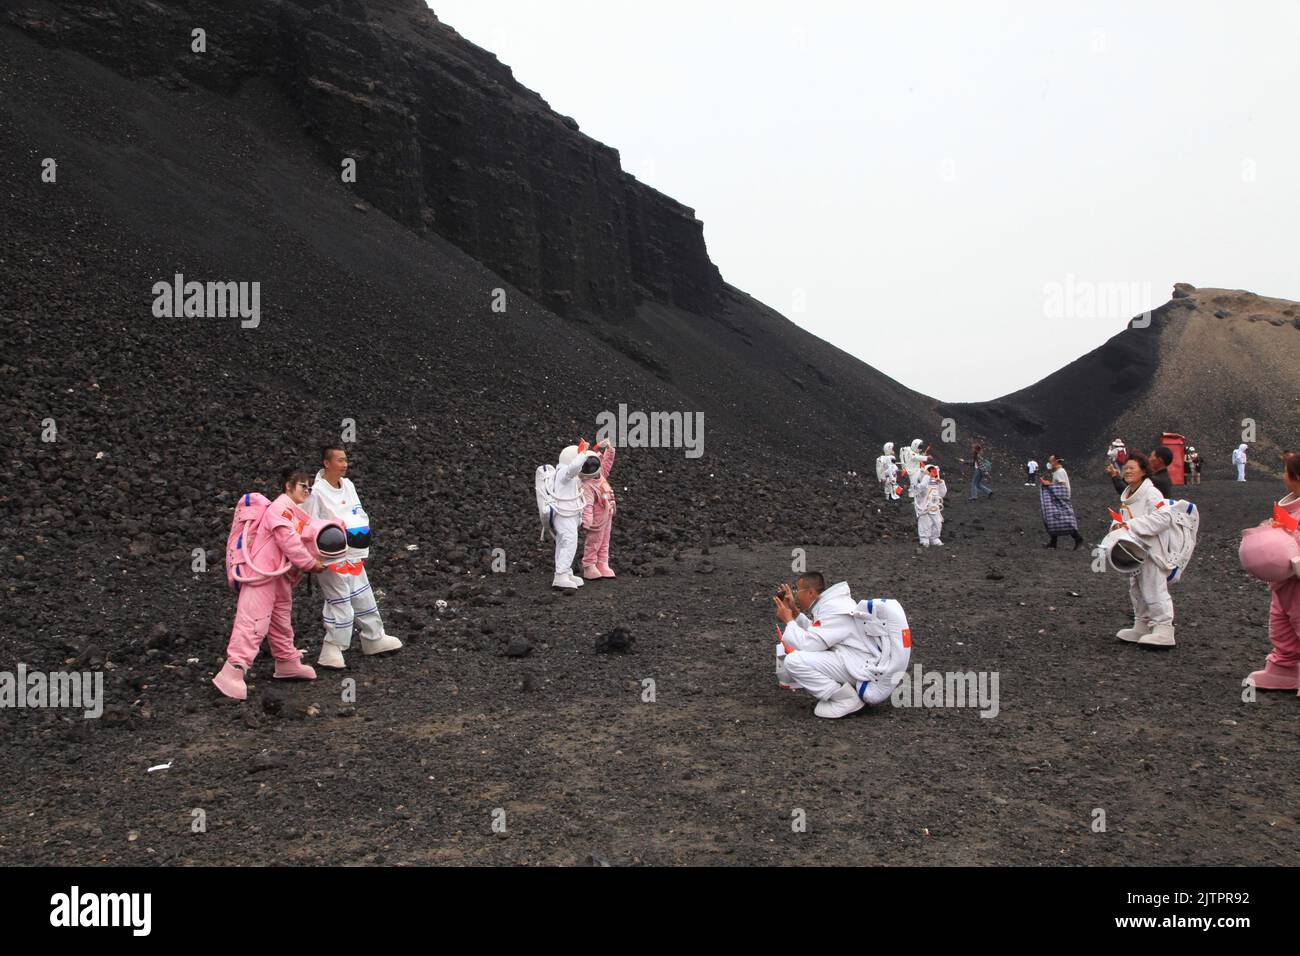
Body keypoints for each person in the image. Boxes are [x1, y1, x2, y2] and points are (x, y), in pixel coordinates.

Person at [214, 468, 324, 700]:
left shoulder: (291, 512)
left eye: (309, 487)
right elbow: (289, 541)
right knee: (254, 619)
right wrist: (310, 564)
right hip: (262, 574)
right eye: (303, 486)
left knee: (280, 616)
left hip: (276, 574)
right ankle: (233, 670)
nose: (307, 491)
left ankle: (286, 661)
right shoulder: (280, 509)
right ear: (288, 486)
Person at [305, 447, 402, 669]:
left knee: (363, 596)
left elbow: (357, 511)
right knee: (340, 603)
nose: (345, 464)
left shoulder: (348, 485)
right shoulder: (316, 492)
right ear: (326, 463)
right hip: (332, 557)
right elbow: (308, 524)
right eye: (339, 460)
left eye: (346, 460)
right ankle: (332, 647)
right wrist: (311, 558)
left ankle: (373, 637)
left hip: (355, 554)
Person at [773, 573, 912, 719]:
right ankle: (847, 694)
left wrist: (789, 621)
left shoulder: (834, 610)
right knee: (799, 659)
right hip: (854, 660)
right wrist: (795, 613)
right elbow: (819, 634)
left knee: (793, 661)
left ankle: (846, 699)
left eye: (796, 591)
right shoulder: (833, 604)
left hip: (858, 668)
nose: (795, 596)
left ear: (810, 593)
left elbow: (808, 644)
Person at [1243, 453, 1300, 692]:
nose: (1283, 476)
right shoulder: (1290, 510)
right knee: (1281, 625)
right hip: (1283, 584)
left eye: (1285, 471)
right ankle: (1285, 668)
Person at [1110, 453, 1178, 648]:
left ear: (1143, 471)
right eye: (1126, 468)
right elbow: (1123, 520)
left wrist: (1130, 525)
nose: (1127, 471)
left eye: (1132, 468)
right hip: (1135, 551)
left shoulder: (1151, 493)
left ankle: (1164, 628)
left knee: (1154, 587)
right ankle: (1143, 623)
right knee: (1137, 587)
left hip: (1152, 551)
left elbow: (1164, 518)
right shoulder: (1129, 496)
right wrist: (1117, 527)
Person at [550, 440, 602, 590]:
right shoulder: (563, 473)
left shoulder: (569, 476)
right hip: (564, 514)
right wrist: (583, 454)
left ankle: (565, 571)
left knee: (564, 543)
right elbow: (573, 468)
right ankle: (560, 575)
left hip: (569, 514)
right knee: (568, 542)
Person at [580, 438, 618, 579]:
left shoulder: (600, 475)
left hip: (607, 513)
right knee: (594, 542)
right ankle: (589, 565)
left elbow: (607, 463)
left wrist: (610, 450)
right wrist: (587, 520)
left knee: (604, 541)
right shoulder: (587, 485)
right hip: (597, 519)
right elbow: (588, 504)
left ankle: (602, 563)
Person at [1039, 454, 1083, 549]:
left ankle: (1078, 538)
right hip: (1059, 499)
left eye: (1050, 461)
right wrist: (1048, 483)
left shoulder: (1060, 472)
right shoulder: (1057, 472)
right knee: (1054, 518)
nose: (1049, 463)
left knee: (1063, 519)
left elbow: (1061, 486)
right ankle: (1053, 541)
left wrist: (1048, 484)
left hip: (1061, 500)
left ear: (1055, 461)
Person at [1107, 446, 1173, 497]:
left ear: (1159, 461)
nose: (1149, 459)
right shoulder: (1162, 478)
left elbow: (1129, 493)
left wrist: (1115, 476)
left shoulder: (1158, 481)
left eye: (1132, 468)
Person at [914, 463, 947, 546]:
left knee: (938, 523)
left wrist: (941, 483)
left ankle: (934, 538)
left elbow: (942, 494)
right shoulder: (923, 485)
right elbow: (921, 488)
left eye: (934, 472)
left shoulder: (937, 483)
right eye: (930, 471)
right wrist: (926, 476)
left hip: (935, 507)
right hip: (925, 508)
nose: (933, 473)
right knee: (924, 523)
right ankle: (924, 538)